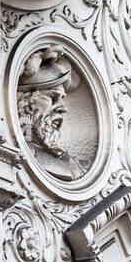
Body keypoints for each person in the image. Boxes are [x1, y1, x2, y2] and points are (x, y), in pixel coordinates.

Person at [17, 47, 88, 179]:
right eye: (53, 97)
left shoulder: (72, 163)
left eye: (61, 99)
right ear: (25, 102)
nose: (62, 107)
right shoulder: (24, 151)